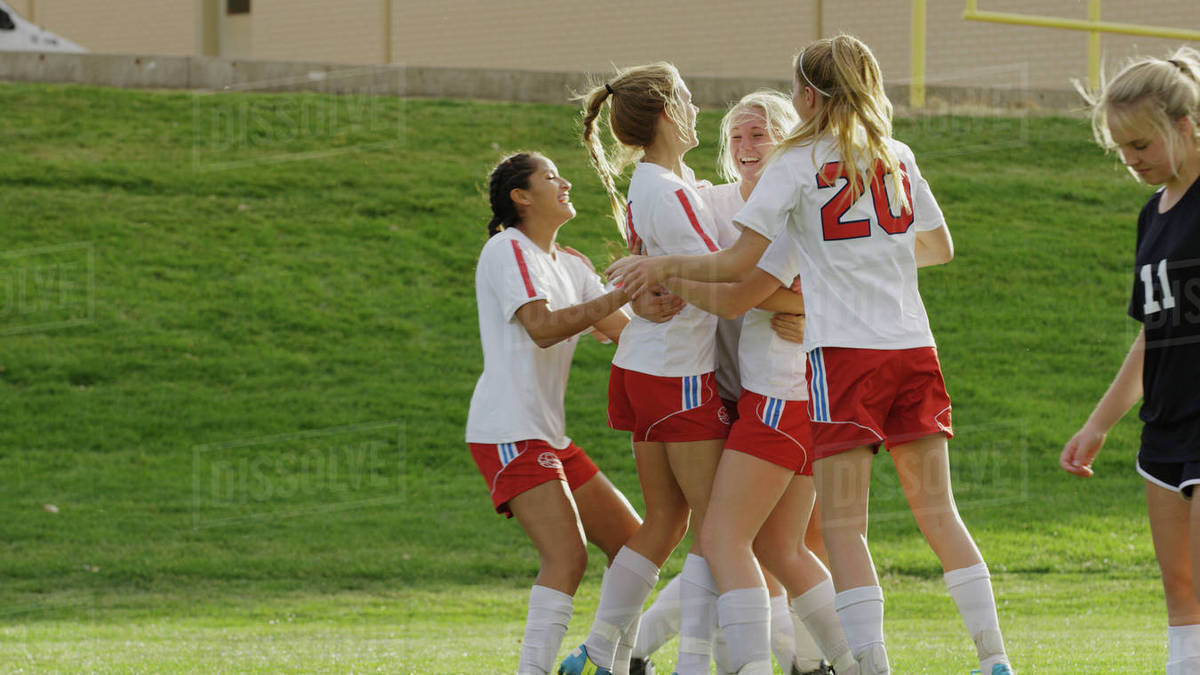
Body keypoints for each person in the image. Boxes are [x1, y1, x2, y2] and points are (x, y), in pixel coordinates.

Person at [606, 35, 1014, 675]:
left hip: (844, 362)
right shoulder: (895, 152)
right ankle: (994, 658)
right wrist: (861, 260)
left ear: (805, 96)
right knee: (937, 512)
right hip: (913, 347)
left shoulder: (796, 162)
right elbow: (938, 248)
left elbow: (739, 267)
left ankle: (865, 667)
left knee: (837, 530)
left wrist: (663, 265)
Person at [560, 63, 804, 675]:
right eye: (690, 100)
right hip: (677, 377)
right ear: (669, 112)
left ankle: (603, 653)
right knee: (722, 536)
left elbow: (669, 266)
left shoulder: (669, 183)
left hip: (647, 367)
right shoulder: (665, 189)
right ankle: (710, 661)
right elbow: (719, 271)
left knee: (671, 522)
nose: (701, 111)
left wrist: (652, 275)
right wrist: (803, 303)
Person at [630, 91, 839, 675]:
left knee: (751, 543)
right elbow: (648, 243)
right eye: (738, 137)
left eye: (761, 134)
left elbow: (848, 280)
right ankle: (812, 662)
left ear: (787, 139)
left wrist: (813, 308)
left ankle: (638, 650)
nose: (748, 148)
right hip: (725, 391)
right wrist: (643, 286)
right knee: (752, 545)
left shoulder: (800, 205)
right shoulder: (709, 202)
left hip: (779, 392)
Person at [465, 151, 643, 675]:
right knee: (567, 558)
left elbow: (626, 334)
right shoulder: (508, 248)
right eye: (549, 177)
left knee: (632, 544)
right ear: (521, 197)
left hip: (547, 436)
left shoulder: (572, 262)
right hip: (507, 429)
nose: (564, 182)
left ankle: (609, 660)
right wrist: (619, 294)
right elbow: (542, 327)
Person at [1061, 46, 1200, 675]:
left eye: (1141, 145)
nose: (1132, 161)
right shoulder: (1152, 215)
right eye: (1121, 149)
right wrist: (1098, 424)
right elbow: (1152, 336)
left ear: (1186, 127)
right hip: (1165, 430)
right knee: (1182, 593)